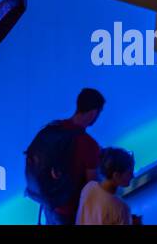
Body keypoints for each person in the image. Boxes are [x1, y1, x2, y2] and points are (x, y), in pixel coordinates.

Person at [24, 88, 105, 225]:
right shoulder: (89, 145)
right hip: (70, 212)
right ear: (93, 113)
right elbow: (93, 188)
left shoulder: (52, 129)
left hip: (49, 204)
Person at [76, 147, 139, 225]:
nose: (133, 176)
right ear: (116, 175)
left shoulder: (89, 187)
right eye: (129, 173)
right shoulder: (121, 208)